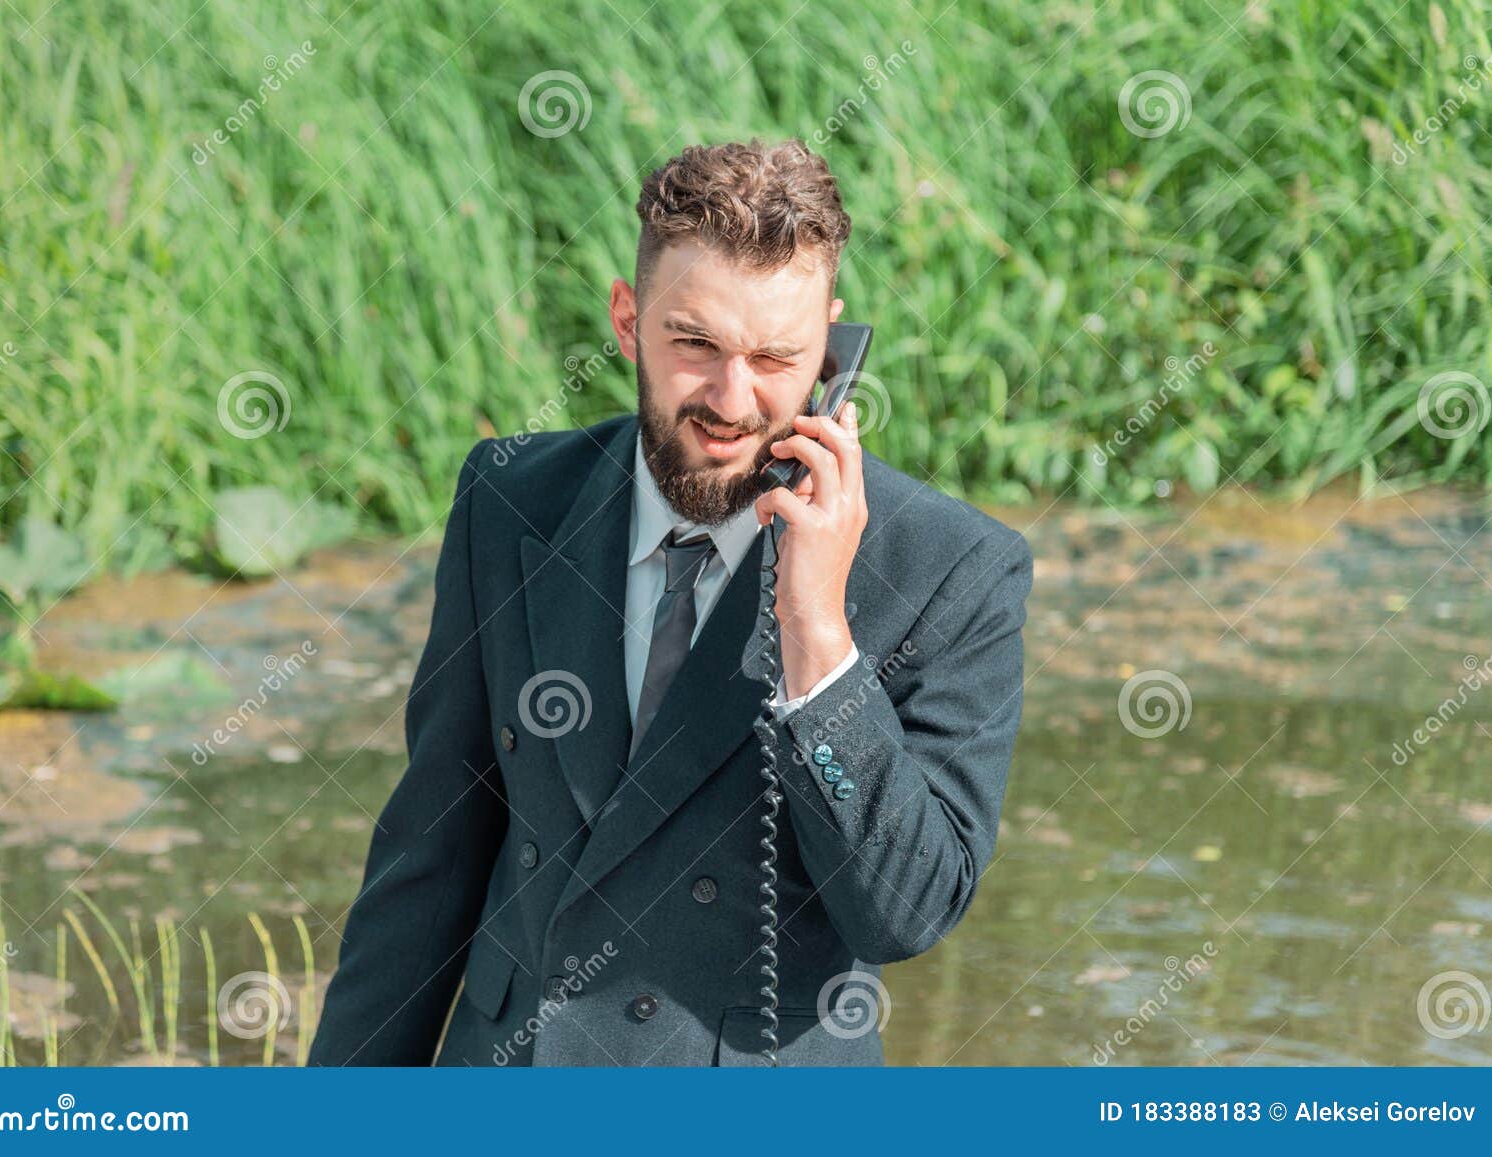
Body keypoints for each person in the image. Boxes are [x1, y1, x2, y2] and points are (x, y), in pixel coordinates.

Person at [309, 137, 1032, 1066]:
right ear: (627, 319)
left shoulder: (948, 567)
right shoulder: (510, 500)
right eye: (695, 343)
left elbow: (906, 909)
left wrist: (819, 634)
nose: (733, 400)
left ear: (834, 346)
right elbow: (427, 858)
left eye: (778, 355)